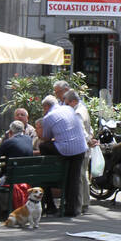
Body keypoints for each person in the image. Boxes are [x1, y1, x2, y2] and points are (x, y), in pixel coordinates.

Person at [41, 89, 90, 217]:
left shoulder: (48, 117)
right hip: (80, 148)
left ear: (46, 107)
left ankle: (51, 165)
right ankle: (72, 209)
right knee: (73, 179)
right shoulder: (69, 109)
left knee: (43, 146)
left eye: (43, 108)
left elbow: (46, 138)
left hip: (65, 149)